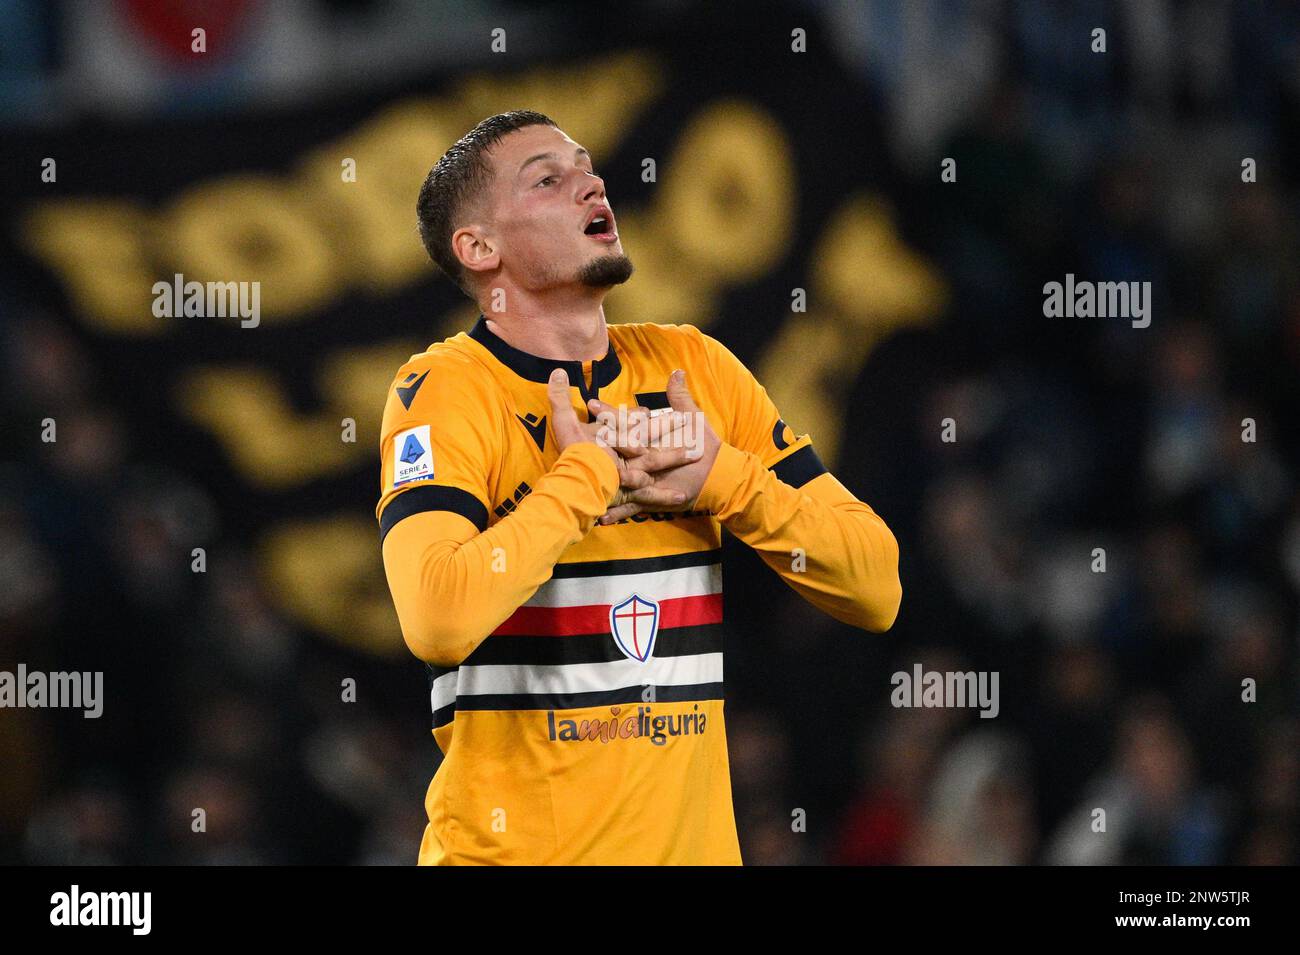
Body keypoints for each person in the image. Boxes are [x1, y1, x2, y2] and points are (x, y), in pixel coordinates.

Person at [377, 109, 902, 864]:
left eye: (586, 167)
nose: (591, 183)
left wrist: (727, 479)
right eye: (548, 180)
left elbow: (877, 584)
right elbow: (435, 616)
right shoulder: (445, 389)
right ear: (478, 247)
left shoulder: (693, 368)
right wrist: (585, 476)